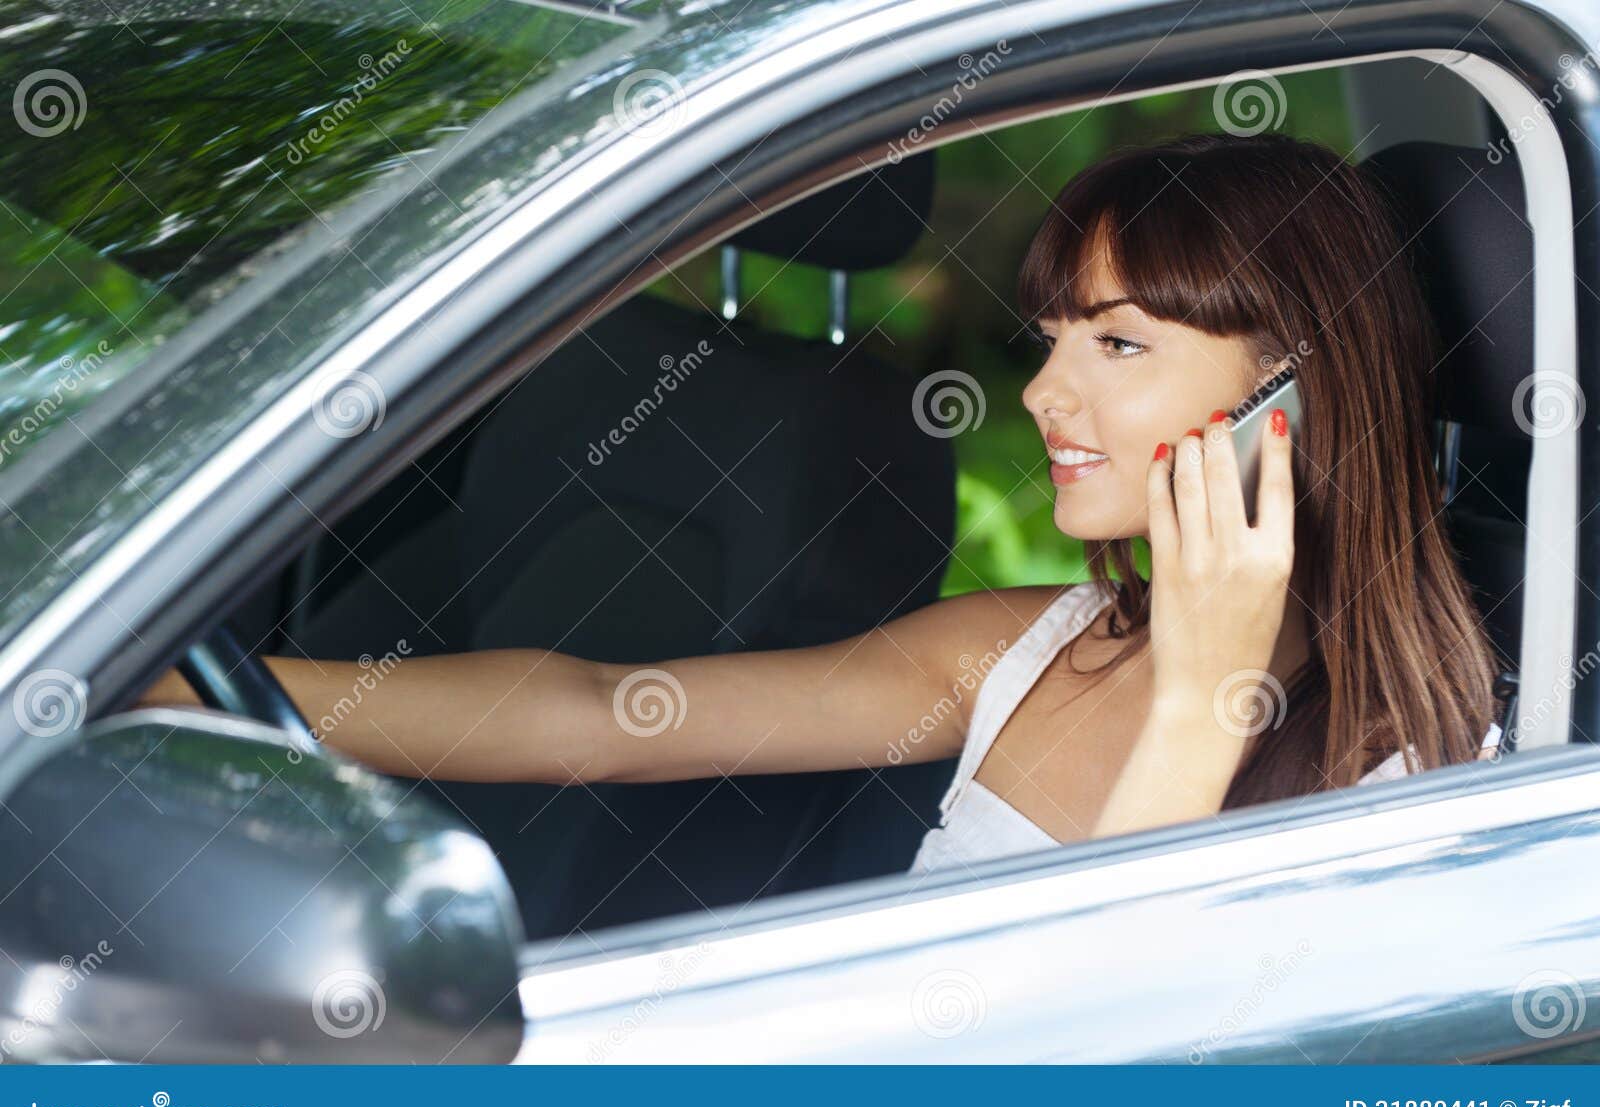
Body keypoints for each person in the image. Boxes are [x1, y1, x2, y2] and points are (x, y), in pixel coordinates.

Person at [145, 133, 1502, 874]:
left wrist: (1210, 706)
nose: (1043, 399)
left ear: (1297, 404)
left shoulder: (1431, 781)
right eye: (1048, 342)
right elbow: (608, 719)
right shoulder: (1027, 649)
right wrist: (203, 700)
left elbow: (1108, 1046)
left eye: (1121, 345)